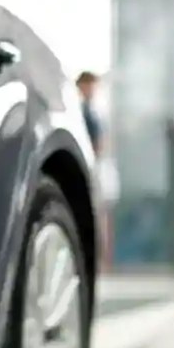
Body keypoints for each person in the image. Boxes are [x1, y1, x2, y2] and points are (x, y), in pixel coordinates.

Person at [76, 71, 116, 267]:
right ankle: (95, 260)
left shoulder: (94, 112)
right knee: (94, 213)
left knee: (102, 214)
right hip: (91, 166)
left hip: (99, 167)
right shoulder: (81, 112)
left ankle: (103, 260)